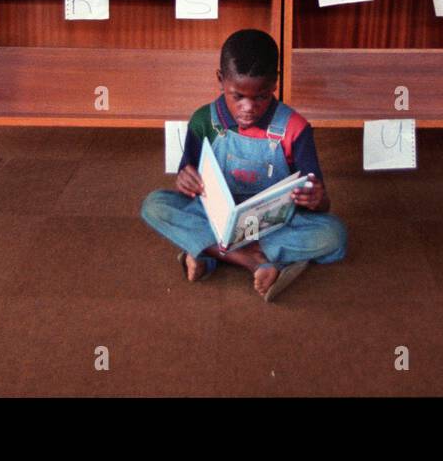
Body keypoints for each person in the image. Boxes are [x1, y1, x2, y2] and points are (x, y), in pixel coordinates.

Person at [140, 28, 346, 302]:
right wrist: (184, 181)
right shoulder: (203, 120)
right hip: (217, 219)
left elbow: (321, 204)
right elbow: (185, 181)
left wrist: (317, 199)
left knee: (334, 235)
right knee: (154, 205)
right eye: (237, 96)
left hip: (274, 225)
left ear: (275, 83)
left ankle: (210, 253)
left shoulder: (295, 128)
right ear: (220, 80)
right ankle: (253, 260)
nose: (248, 107)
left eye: (260, 96)